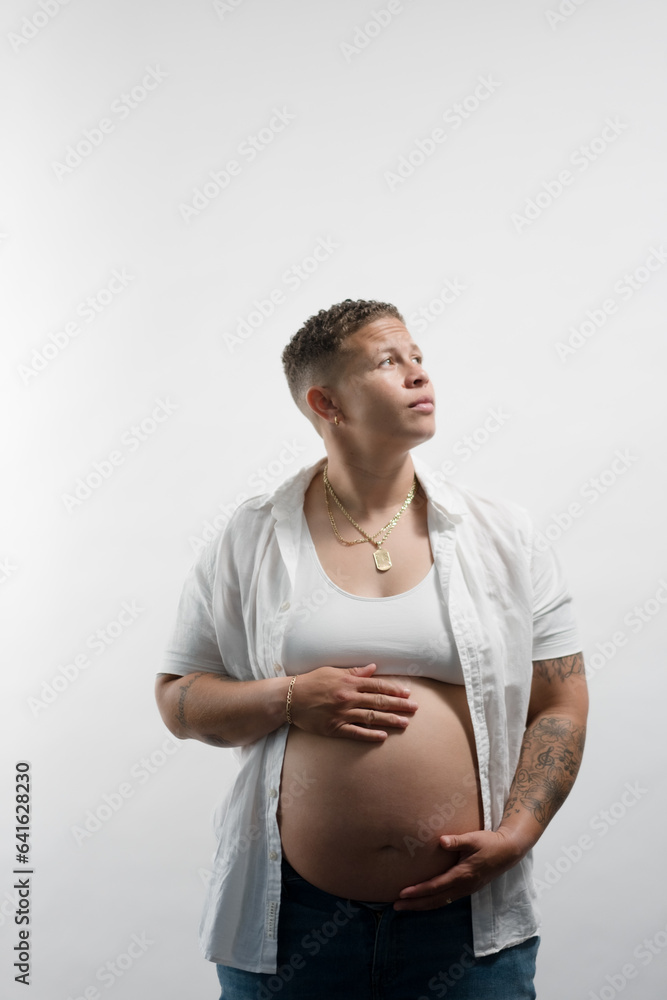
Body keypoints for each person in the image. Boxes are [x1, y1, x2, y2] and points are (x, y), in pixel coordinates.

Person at [155, 298, 588, 999]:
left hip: (466, 924)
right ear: (326, 402)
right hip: (290, 924)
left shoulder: (504, 534)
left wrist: (517, 832)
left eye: (418, 357)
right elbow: (179, 701)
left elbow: (561, 701)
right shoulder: (250, 538)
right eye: (389, 362)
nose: (420, 374)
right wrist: (290, 698)